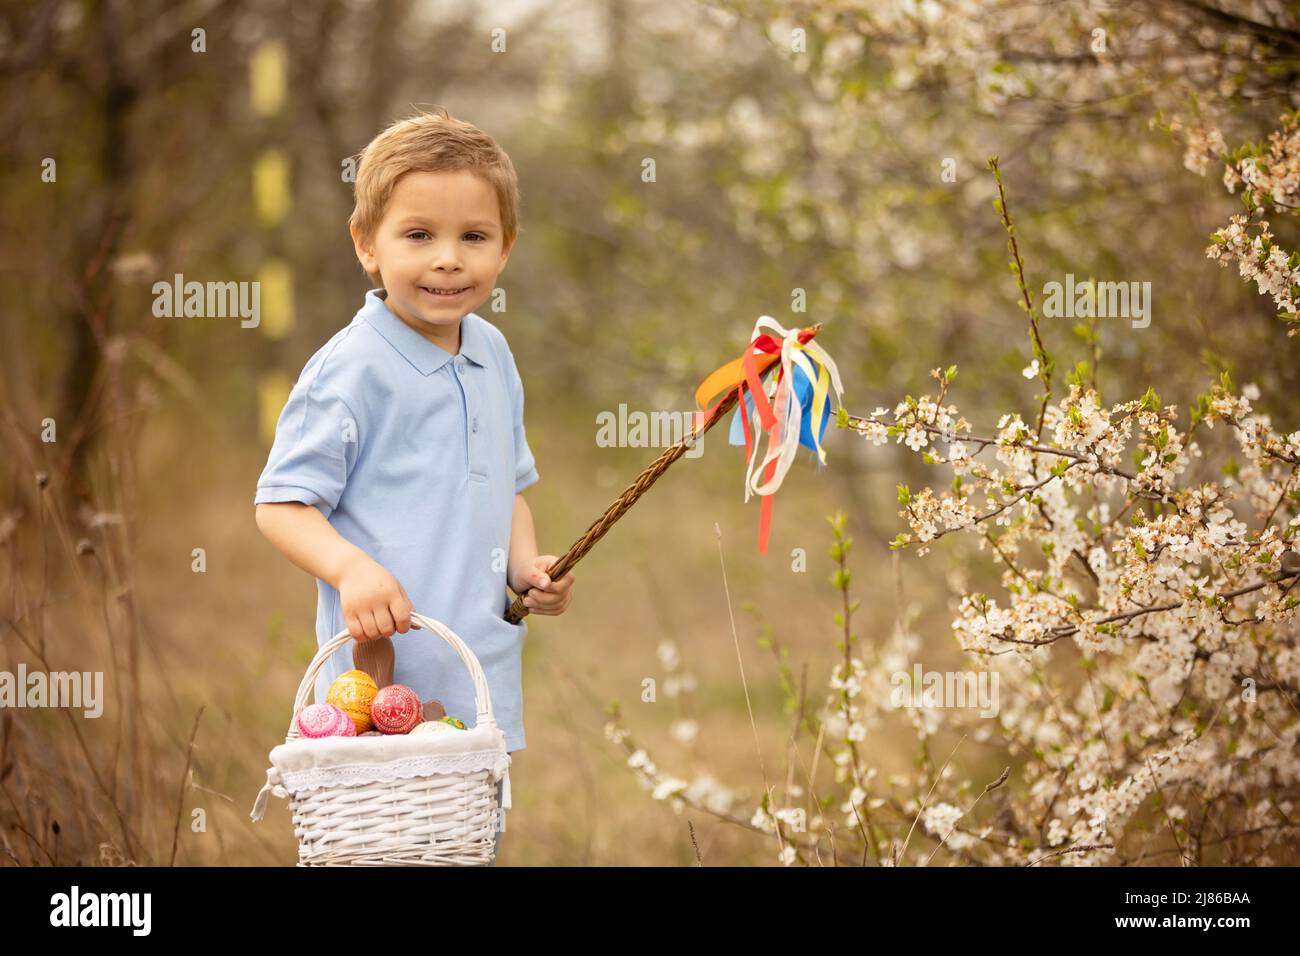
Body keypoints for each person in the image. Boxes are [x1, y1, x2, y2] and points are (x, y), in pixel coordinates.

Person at [254, 107, 575, 865]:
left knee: (466, 847)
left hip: (476, 678)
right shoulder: (352, 369)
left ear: (506, 248)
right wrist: (351, 567)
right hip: (382, 693)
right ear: (368, 244)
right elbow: (281, 504)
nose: (448, 260)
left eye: (474, 237)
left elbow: (511, 490)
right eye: (418, 235)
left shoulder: (494, 354)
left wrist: (528, 569)